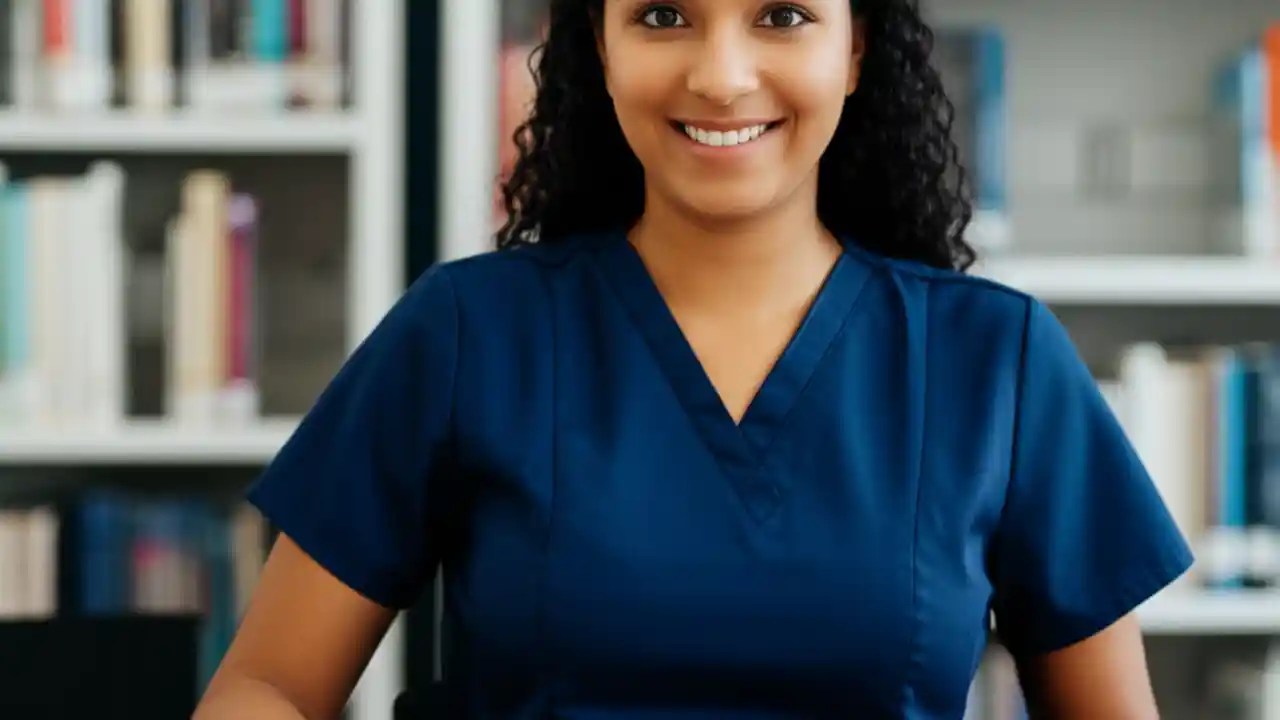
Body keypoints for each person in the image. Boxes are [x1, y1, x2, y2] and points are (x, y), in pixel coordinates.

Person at [195, 0, 1193, 717]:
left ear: (854, 49)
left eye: (781, 17)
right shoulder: (466, 332)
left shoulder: (996, 362)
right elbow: (270, 685)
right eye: (663, 16)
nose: (719, 74)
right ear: (598, 44)